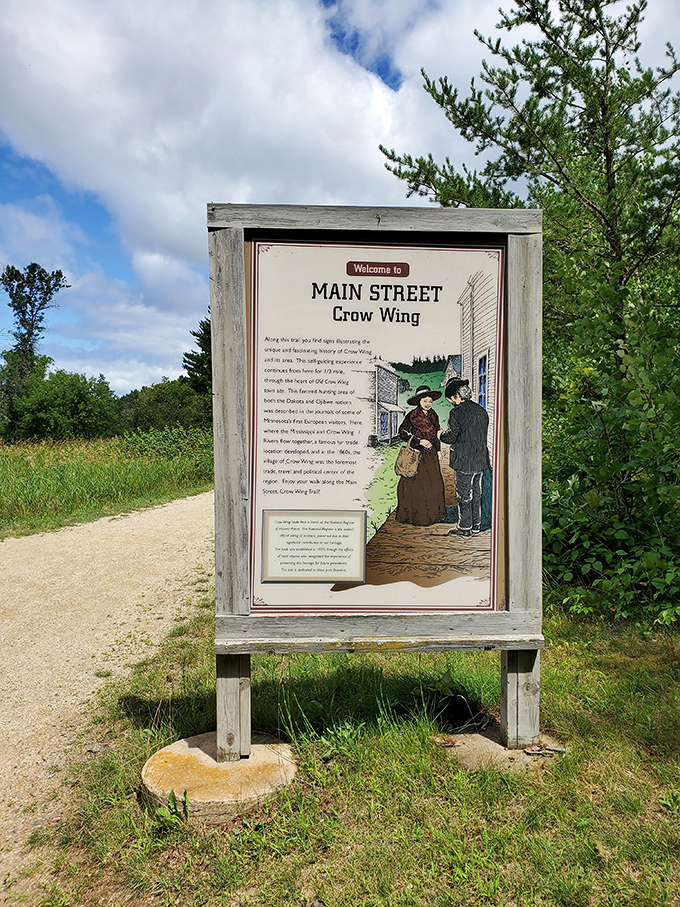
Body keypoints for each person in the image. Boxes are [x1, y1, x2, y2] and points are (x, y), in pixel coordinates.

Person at [439, 377, 490, 538]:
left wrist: (441, 435)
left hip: (463, 460)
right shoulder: (481, 411)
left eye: (451, 399)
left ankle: (464, 528)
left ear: (456, 397)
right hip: (480, 459)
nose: (451, 402)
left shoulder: (456, 412)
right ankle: (476, 525)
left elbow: (452, 436)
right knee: (477, 493)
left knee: (463, 495)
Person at [395, 384, 447, 526]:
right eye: (425, 401)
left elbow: (436, 434)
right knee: (415, 485)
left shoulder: (433, 415)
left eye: (430, 401)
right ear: (419, 402)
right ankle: (415, 518)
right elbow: (402, 433)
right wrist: (419, 441)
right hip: (417, 456)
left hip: (430, 456)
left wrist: (438, 450)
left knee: (432, 484)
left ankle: (434, 516)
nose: (428, 404)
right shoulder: (412, 415)